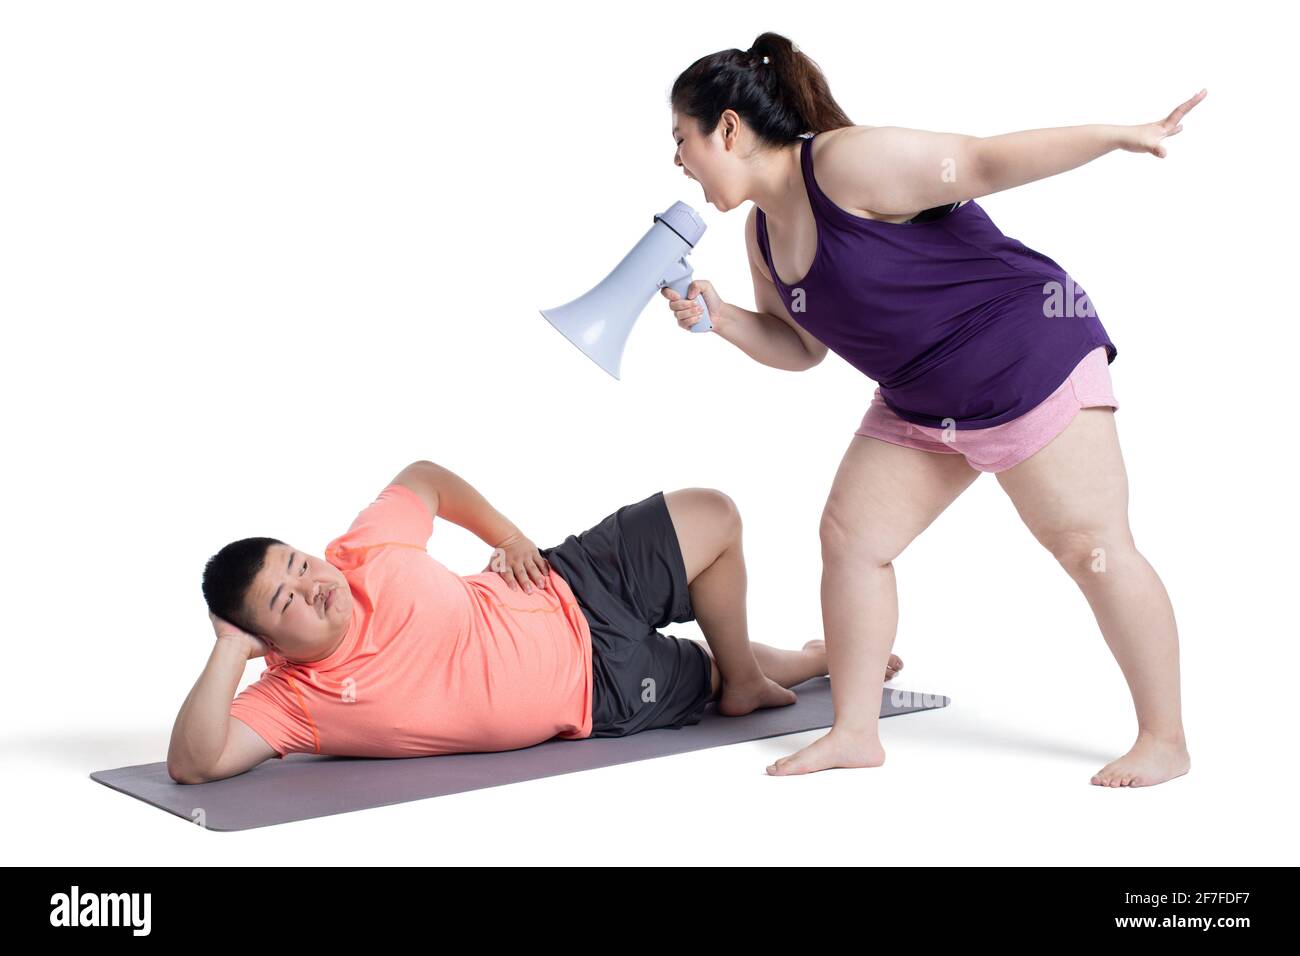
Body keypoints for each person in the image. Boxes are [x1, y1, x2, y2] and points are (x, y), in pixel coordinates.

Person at [660, 31, 1204, 786]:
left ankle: (1165, 740)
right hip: (924, 397)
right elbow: (800, 348)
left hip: (1023, 356)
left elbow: (980, 162)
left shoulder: (845, 162)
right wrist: (719, 319)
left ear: (727, 128)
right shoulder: (762, 236)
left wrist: (1118, 136)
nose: (678, 159)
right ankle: (855, 732)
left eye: (682, 138)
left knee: (1091, 547)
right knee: (851, 539)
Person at [167, 459, 903, 783]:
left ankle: (749, 677)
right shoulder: (293, 703)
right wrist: (230, 649)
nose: (311, 584)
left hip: (566, 579)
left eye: (297, 564)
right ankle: (807, 660)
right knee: (703, 671)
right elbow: (194, 764)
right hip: (600, 687)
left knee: (713, 513)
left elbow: (423, 475)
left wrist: (508, 538)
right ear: (265, 642)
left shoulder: (359, 550)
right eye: (284, 600)